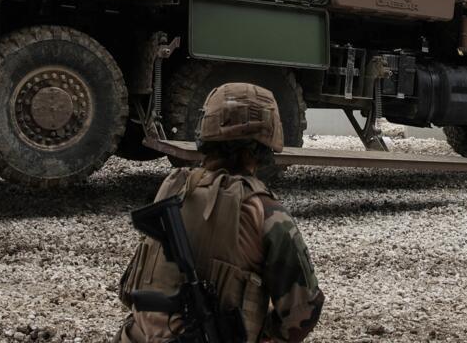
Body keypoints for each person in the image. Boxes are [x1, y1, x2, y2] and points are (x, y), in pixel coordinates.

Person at [117, 82, 325, 343]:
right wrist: (263, 332)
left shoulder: (174, 188)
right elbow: (303, 312)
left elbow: (133, 285)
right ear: (266, 142)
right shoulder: (267, 213)